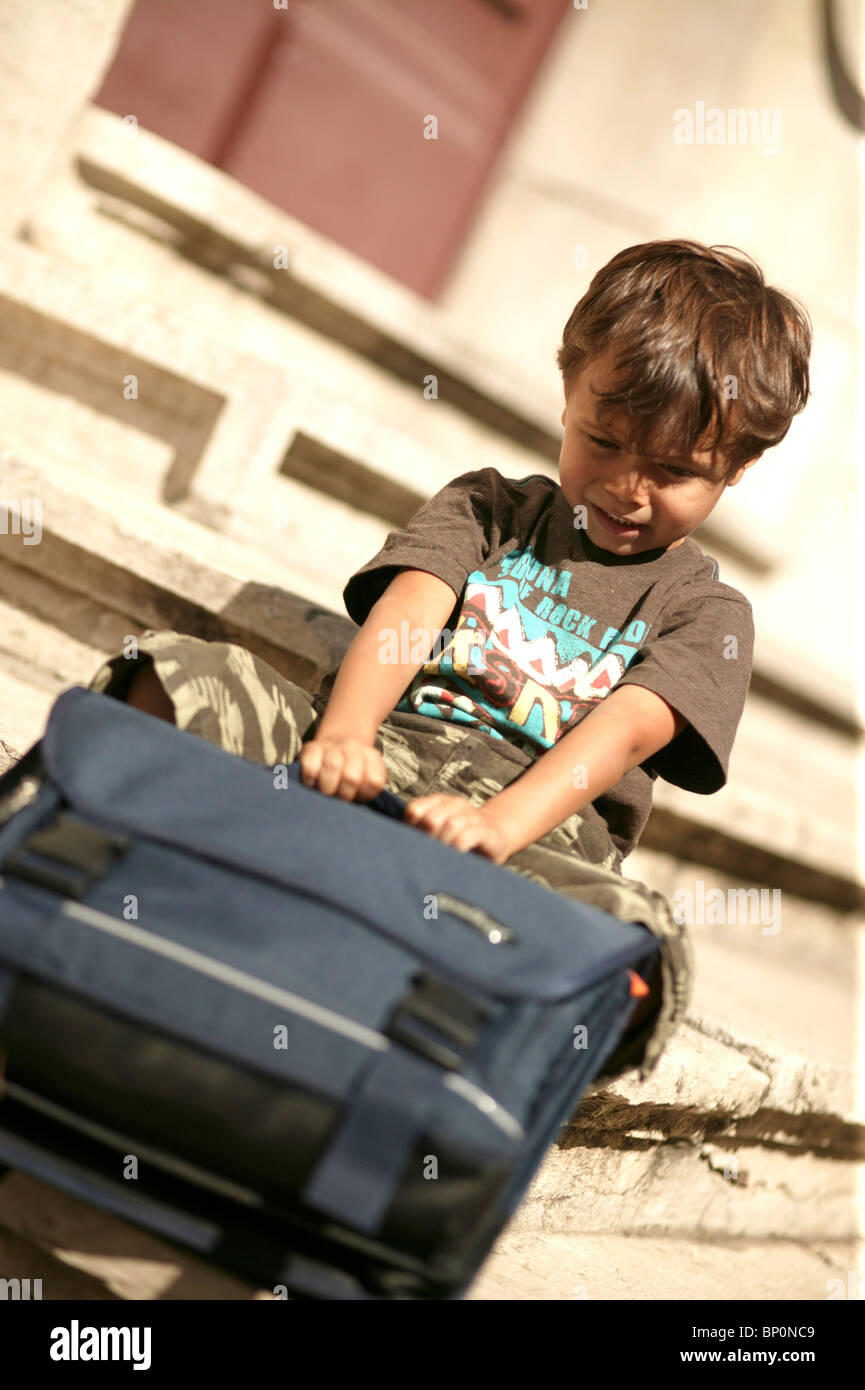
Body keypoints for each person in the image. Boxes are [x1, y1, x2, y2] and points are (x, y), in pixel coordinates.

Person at [89, 238, 812, 1082]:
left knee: (637, 950)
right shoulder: (489, 508)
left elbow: (618, 736)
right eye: (603, 441)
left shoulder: (706, 613)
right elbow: (409, 608)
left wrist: (495, 829)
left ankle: (453, 1008)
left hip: (532, 843)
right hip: (370, 767)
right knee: (174, 674)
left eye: (671, 470)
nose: (626, 487)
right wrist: (347, 734)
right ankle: (140, 864)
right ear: (567, 387)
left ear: (739, 465)